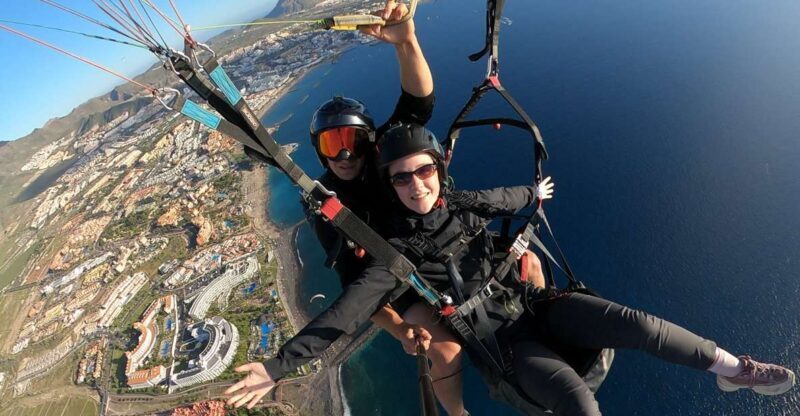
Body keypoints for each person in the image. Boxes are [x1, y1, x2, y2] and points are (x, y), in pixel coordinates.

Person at [228, 123, 796, 415]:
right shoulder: (394, 253)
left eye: (423, 171)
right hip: (504, 346)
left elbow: (503, 198)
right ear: (391, 186)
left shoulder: (462, 204)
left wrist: (534, 192)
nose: (416, 185)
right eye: (401, 178)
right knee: (578, 404)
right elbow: (348, 311)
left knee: (639, 325)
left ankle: (732, 370)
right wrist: (280, 366)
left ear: (438, 170)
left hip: (539, 307)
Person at [261, 1, 468, 414]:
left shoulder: (386, 152)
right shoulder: (326, 203)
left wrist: (407, 42)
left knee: (528, 267)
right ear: (319, 150)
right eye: (331, 144)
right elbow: (352, 281)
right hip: (397, 279)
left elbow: (419, 103)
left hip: (439, 245)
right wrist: (400, 329)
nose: (344, 155)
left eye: (352, 141)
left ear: (370, 141)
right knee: (445, 352)